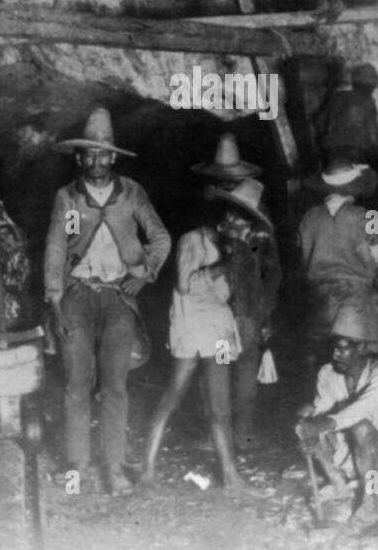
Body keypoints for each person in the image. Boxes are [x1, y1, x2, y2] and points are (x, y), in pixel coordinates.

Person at [43, 107, 171, 495]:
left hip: (118, 298)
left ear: (113, 157)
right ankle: (76, 468)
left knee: (115, 385)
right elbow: (56, 247)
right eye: (89, 155)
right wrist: (55, 305)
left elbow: (161, 238)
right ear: (79, 158)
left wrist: (142, 275)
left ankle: (113, 469)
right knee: (76, 385)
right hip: (77, 297)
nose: (96, 162)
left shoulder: (131, 194)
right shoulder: (68, 198)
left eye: (103, 155)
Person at [142, 187, 272, 492]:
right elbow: (185, 285)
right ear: (224, 217)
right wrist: (226, 264)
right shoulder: (192, 240)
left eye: (245, 226)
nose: (241, 229)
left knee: (221, 404)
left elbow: (240, 293)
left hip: (221, 334)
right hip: (191, 330)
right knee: (173, 395)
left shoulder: (233, 246)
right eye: (238, 223)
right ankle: (146, 470)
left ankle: (231, 476)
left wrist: (243, 255)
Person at [191, 136, 280, 449]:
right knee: (218, 370)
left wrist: (265, 311)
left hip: (248, 313)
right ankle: (216, 433)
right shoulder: (205, 215)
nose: (224, 184)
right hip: (218, 312)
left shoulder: (257, 216)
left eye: (229, 179)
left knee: (245, 377)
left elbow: (271, 270)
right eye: (219, 179)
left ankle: (242, 432)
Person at [295, 300, 378, 525]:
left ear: (361, 347)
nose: (335, 355)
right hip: (344, 457)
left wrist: (322, 425)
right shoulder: (327, 372)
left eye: (342, 348)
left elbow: (362, 409)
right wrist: (307, 426)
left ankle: (370, 499)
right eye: (333, 347)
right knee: (306, 421)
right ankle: (339, 483)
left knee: (360, 427)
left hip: (377, 460)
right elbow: (322, 407)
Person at [298, 157, 378, 350]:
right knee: (356, 356)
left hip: (319, 297)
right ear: (354, 187)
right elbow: (377, 253)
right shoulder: (369, 215)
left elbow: (304, 256)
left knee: (325, 356)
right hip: (356, 298)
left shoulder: (309, 217)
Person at [314, 61, 378, 164]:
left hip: (329, 151)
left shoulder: (337, 96)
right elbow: (373, 137)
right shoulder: (368, 102)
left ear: (354, 82)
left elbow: (319, 123)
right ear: (371, 87)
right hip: (355, 153)